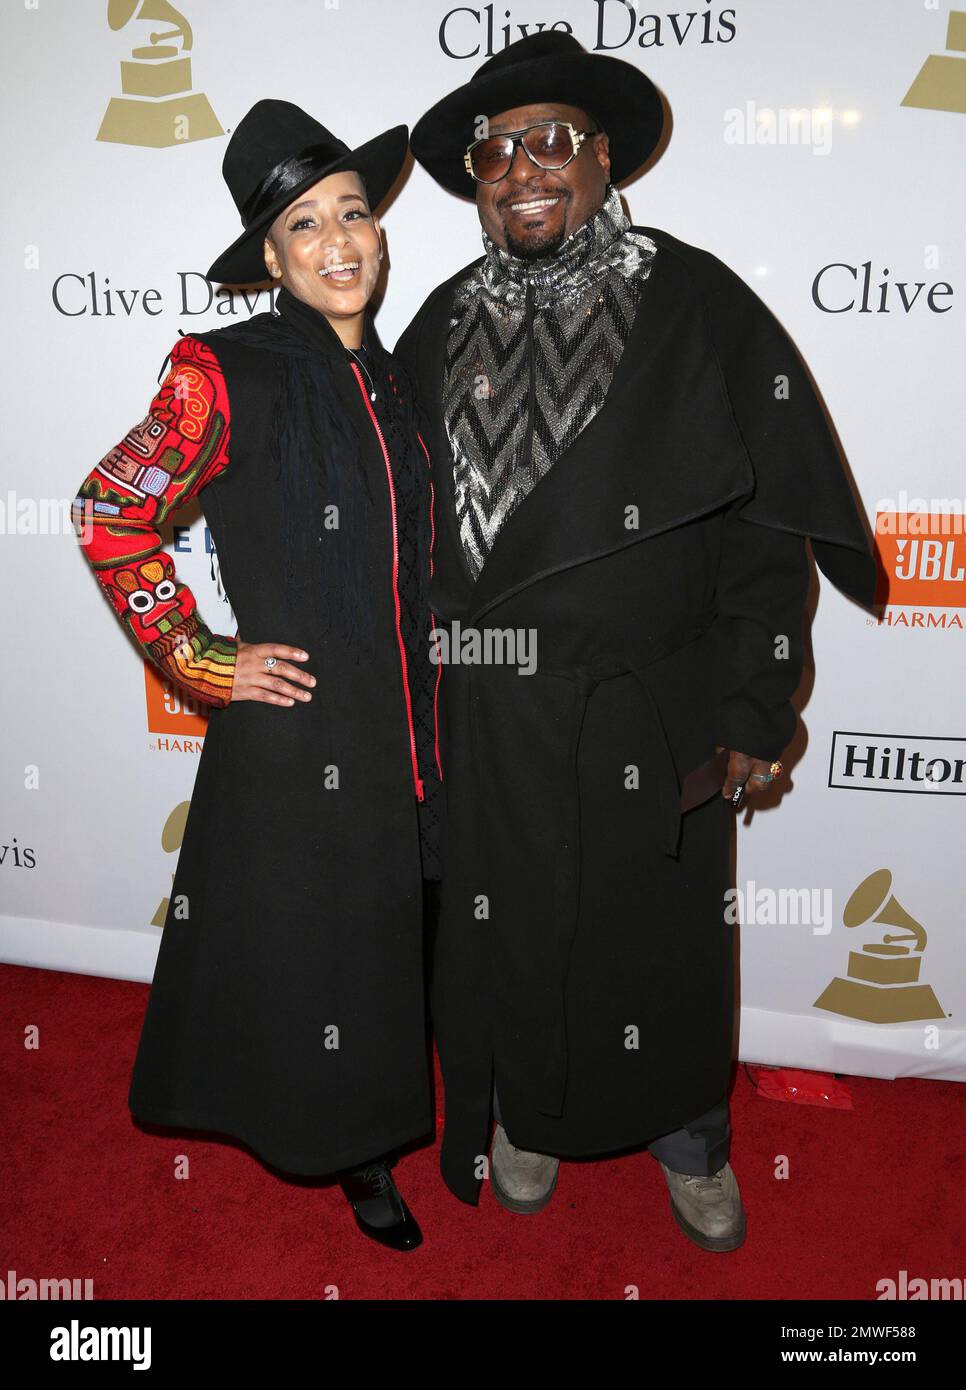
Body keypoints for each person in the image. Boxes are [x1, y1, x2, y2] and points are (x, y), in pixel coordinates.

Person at [397, 32, 877, 1250]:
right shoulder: (441, 322)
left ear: (605, 160)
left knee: (656, 947)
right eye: (493, 150)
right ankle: (526, 1112)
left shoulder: (697, 301)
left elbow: (768, 530)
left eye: (551, 141)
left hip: (650, 707)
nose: (522, 170)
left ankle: (689, 1139)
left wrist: (756, 710)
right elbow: (393, 532)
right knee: (511, 932)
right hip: (490, 713)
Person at [72, 100, 442, 1252]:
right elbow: (109, 510)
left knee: (395, 945)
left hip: (425, 722)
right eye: (304, 225)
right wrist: (198, 656)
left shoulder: (399, 372)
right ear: (271, 258)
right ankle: (353, 1151)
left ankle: (392, 1117)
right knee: (324, 951)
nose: (339, 242)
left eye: (353, 214)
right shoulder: (220, 371)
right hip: (306, 732)